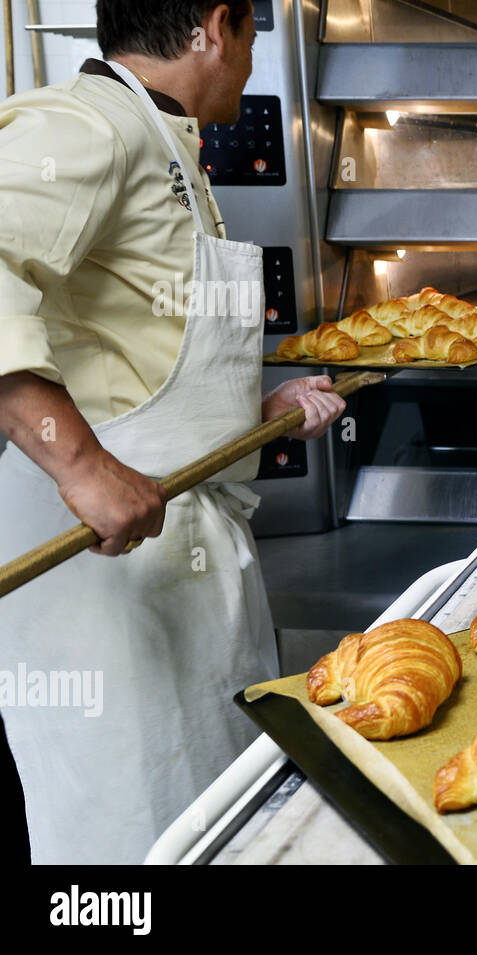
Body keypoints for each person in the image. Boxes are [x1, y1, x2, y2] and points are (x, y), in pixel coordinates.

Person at [0, 0, 345, 863]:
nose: (253, 62)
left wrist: (248, 419)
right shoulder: (87, 125)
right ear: (217, 26)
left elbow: (131, 359)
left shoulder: (165, 145)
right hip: (103, 586)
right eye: (256, 38)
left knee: (208, 825)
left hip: (185, 567)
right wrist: (78, 463)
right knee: (128, 836)